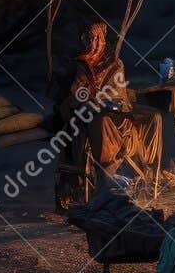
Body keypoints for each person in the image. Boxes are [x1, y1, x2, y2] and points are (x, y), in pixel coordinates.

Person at [54, 21, 162, 208]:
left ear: (102, 39)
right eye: (87, 37)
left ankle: (115, 176)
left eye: (95, 38)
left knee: (111, 118)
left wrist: (104, 99)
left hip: (113, 112)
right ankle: (96, 181)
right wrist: (86, 98)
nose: (91, 42)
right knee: (93, 121)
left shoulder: (114, 64)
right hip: (84, 111)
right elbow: (75, 92)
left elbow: (117, 91)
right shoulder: (78, 63)